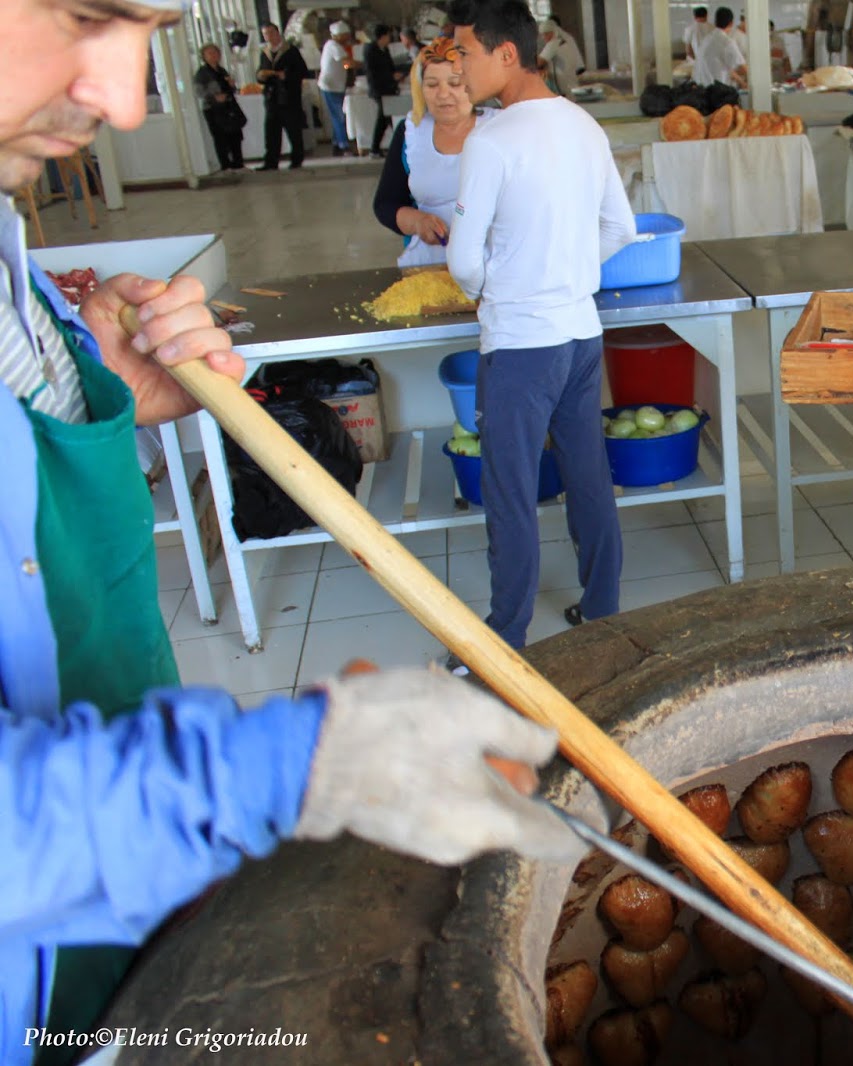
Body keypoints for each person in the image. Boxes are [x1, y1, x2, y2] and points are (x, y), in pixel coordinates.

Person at [0, 0, 581, 1056]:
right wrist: (280, 769)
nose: (127, 98)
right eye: (85, 15)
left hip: (102, 921)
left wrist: (87, 392)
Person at [446, 0, 634, 654]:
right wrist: (568, 270)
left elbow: (464, 259)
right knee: (587, 475)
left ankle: (505, 639)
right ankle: (605, 607)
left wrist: (494, 288)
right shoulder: (582, 124)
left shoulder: (491, 139)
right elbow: (623, 229)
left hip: (522, 344)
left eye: (464, 52)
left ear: (506, 55)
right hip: (581, 335)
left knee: (509, 494)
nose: (455, 67)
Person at [373, 36, 500, 268]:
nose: (443, 94)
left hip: (495, 266)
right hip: (429, 265)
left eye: (454, 83)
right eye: (432, 85)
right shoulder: (410, 132)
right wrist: (417, 222)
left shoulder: (500, 128)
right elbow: (385, 204)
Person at [255, 21, 308, 170]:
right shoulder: (264, 53)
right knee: (271, 131)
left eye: (271, 33)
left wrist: (286, 76)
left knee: (293, 129)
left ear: (278, 33)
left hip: (289, 97)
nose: (269, 37)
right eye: (265, 34)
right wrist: (262, 76)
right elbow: (260, 73)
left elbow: (302, 71)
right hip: (272, 97)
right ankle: (271, 161)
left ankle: (297, 159)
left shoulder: (291, 51)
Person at [194, 42, 245, 170]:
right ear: (204, 56)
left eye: (216, 52)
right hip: (213, 109)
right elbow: (199, 91)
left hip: (228, 107)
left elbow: (230, 88)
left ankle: (238, 164)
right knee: (220, 137)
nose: (214, 55)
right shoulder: (202, 73)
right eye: (210, 53)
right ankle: (225, 165)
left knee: (235, 135)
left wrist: (232, 86)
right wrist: (213, 97)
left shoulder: (222, 71)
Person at [363, 24, 402, 156]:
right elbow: (373, 72)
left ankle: (383, 147)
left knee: (386, 117)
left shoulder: (385, 49)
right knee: (384, 117)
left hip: (389, 87)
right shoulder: (370, 50)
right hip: (379, 88)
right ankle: (377, 148)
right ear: (383, 36)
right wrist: (390, 76)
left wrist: (396, 75)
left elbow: (390, 66)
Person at [318, 19, 356, 156]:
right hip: (330, 87)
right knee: (339, 117)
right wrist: (363, 64)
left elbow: (344, 65)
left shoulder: (334, 46)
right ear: (339, 35)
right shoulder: (333, 45)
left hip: (336, 86)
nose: (348, 38)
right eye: (346, 35)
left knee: (337, 116)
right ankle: (344, 146)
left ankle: (336, 144)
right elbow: (347, 63)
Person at [692, 7, 746, 88]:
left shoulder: (708, 38)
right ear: (731, 23)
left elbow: (728, 69)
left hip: (701, 87)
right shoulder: (727, 42)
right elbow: (744, 69)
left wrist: (741, 82)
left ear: (715, 22)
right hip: (716, 91)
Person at [539, 17, 586, 96]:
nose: (543, 38)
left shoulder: (553, 44)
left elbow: (539, 62)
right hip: (571, 83)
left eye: (545, 34)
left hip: (564, 87)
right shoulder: (565, 40)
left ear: (552, 32)